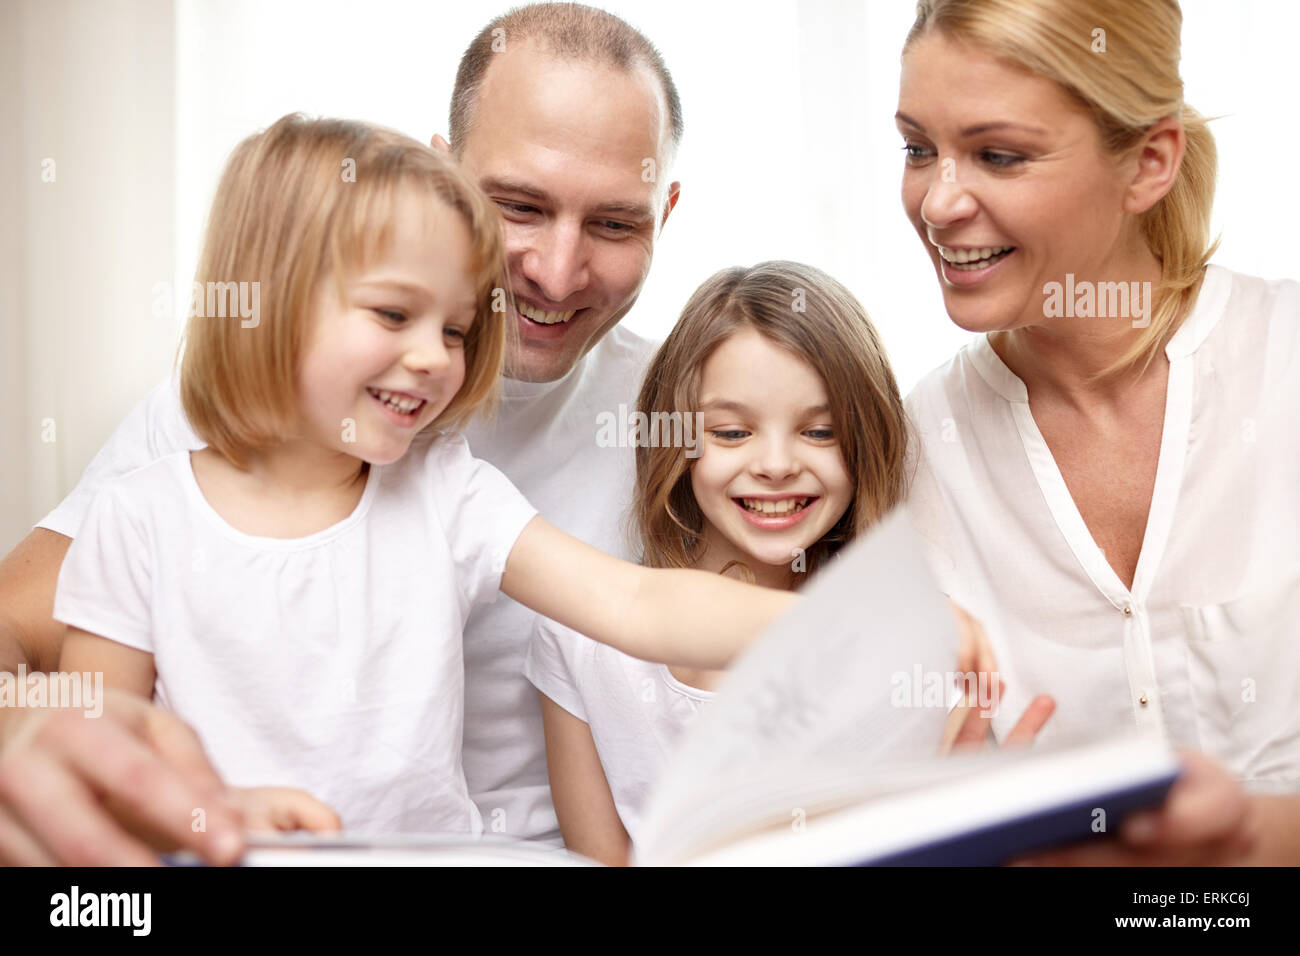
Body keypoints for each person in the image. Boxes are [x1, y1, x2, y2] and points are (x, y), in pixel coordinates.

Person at [0, 2, 682, 862]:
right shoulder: (261, 411)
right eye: (518, 205)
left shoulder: (694, 415)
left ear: (669, 209)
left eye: (616, 222)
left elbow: (694, 628)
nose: (555, 270)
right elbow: (22, 632)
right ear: (446, 177)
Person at [52, 113, 793, 842]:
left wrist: (835, 627)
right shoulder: (137, 520)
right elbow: (99, 760)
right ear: (268, 302)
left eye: (455, 330)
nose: (436, 358)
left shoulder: (444, 490)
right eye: (394, 314)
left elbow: (635, 604)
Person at [897, 0, 1300, 863]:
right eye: (917, 148)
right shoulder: (913, 449)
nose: (938, 201)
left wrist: (1240, 844)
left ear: (1149, 162)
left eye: (998, 155)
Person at [526, 261, 912, 864]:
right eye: (732, 433)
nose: (777, 464)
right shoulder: (581, 644)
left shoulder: (906, 649)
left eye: (821, 432)